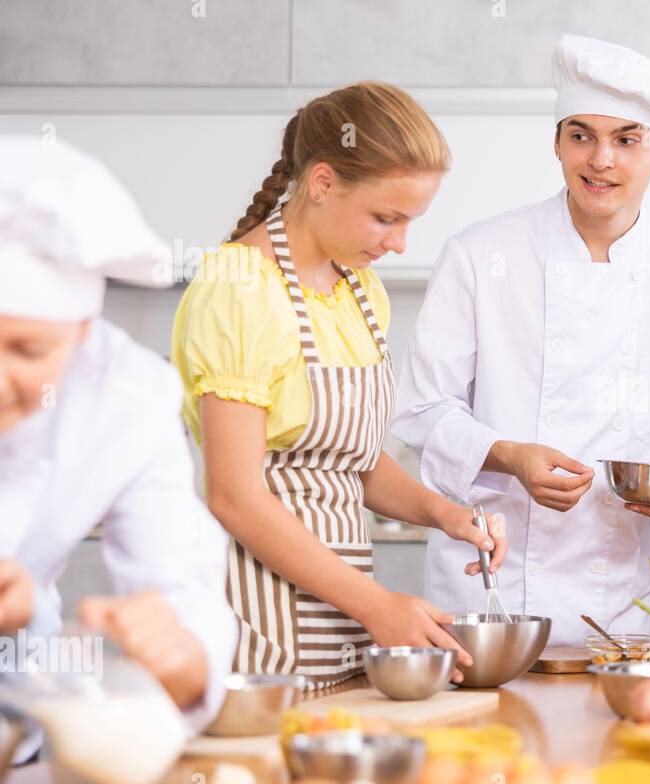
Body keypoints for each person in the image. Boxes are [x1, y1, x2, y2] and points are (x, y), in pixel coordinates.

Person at [391, 36, 650, 645]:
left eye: (627, 139)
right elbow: (421, 409)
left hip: (618, 602)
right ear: (557, 142)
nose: (601, 161)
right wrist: (507, 455)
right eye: (581, 135)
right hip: (491, 591)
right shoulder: (482, 255)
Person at [171, 83, 505, 688]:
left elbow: (353, 462)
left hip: (345, 623)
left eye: (410, 221)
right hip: (257, 629)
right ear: (322, 183)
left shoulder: (358, 287)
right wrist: (377, 605)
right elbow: (233, 495)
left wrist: (446, 514)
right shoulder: (240, 289)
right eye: (386, 217)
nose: (399, 242)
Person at [0, 135, 235, 759]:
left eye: (27, 351)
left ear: (81, 333)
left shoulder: (124, 400)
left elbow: (181, 586)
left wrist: (179, 653)